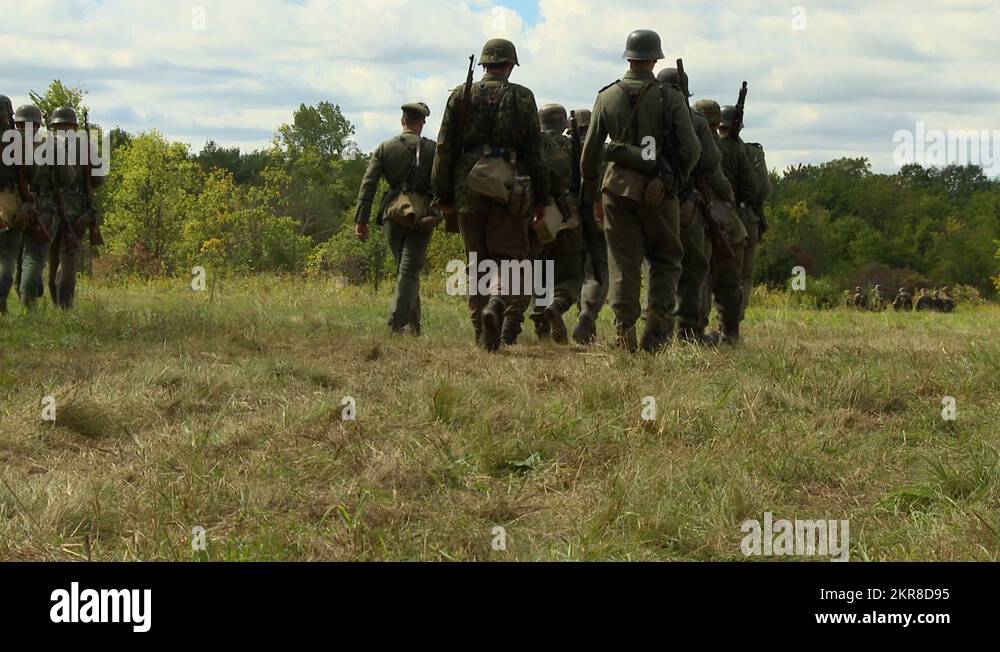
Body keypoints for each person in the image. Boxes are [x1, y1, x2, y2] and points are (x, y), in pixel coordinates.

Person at [580, 29, 700, 352]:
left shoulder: (606, 97)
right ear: (655, 59)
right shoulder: (670, 97)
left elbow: (589, 155)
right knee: (666, 258)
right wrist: (673, 180)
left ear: (629, 58)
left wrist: (593, 196)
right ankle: (656, 329)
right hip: (659, 192)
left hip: (616, 190)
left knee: (623, 261)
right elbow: (692, 149)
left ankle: (624, 333)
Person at [431, 38, 549, 351]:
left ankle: (481, 333)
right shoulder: (523, 97)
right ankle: (497, 303)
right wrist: (542, 197)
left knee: (476, 262)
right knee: (510, 259)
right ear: (510, 65)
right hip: (508, 188)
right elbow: (535, 150)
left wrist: (443, 195)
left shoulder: (461, 94)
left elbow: (444, 147)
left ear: (484, 64)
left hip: (466, 187)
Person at [355, 102, 437, 335]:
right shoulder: (433, 150)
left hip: (392, 214)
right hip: (422, 215)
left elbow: (368, 185)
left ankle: (413, 326)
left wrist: (361, 220)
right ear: (422, 123)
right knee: (409, 270)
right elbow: (443, 183)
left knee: (406, 269)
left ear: (403, 121)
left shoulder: (385, 148)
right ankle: (398, 324)